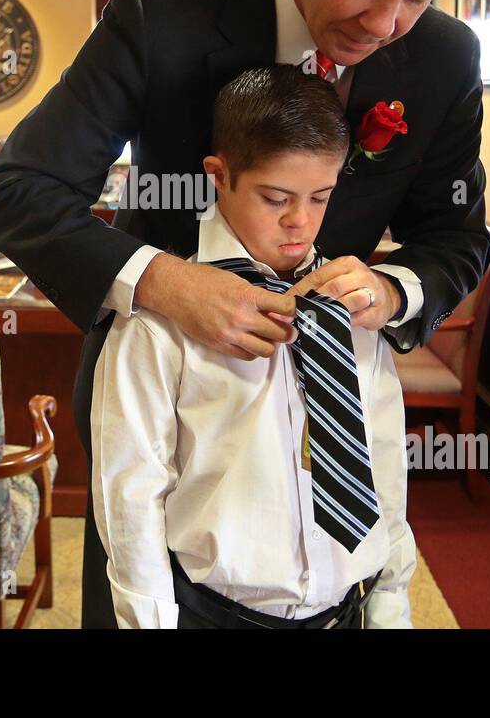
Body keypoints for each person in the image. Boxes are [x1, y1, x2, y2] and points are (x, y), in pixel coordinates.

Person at [0, 0, 490, 628]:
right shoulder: (162, 14)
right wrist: (168, 285)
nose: (383, 23)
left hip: (333, 404)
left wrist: (392, 292)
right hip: (162, 391)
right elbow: (18, 192)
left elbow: (457, 235)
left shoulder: (443, 57)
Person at [92, 65, 414, 628]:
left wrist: (390, 596)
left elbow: (382, 451)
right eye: (275, 197)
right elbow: (132, 490)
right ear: (219, 176)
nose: (301, 221)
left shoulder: (355, 306)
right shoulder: (160, 323)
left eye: (320, 197)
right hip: (215, 612)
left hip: (348, 607)